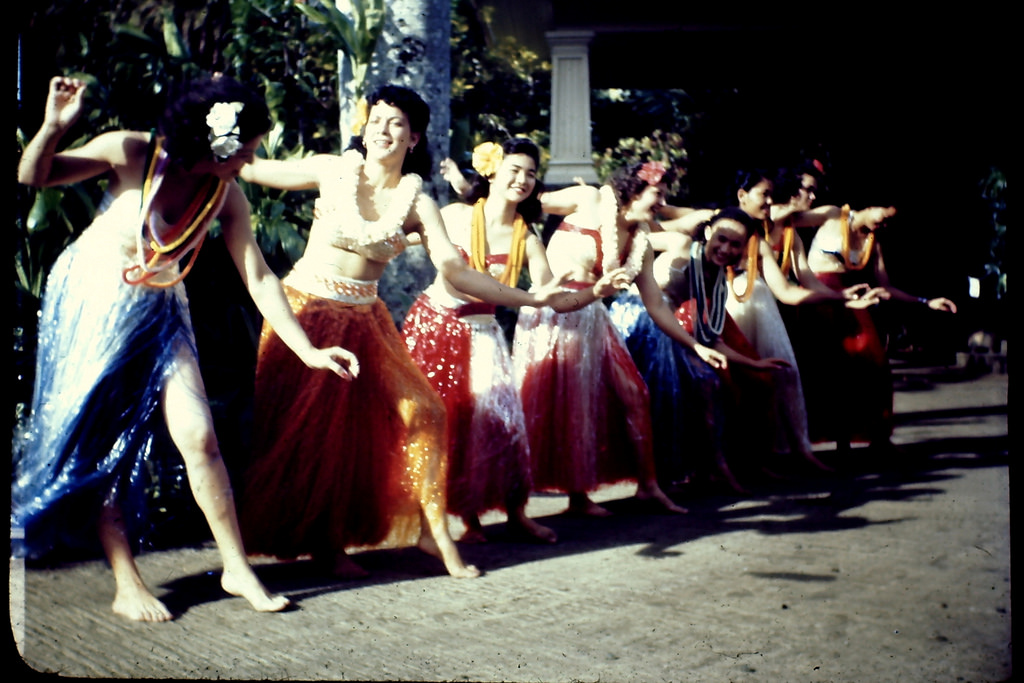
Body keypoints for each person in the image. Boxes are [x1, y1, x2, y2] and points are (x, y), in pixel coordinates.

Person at [13, 75, 357, 622]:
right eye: (244, 145)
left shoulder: (227, 194)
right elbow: (33, 176)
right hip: (93, 301)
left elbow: (260, 278)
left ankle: (236, 567)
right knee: (107, 447)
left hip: (162, 308)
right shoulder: (130, 151)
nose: (251, 157)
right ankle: (127, 581)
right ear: (210, 140)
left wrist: (309, 350)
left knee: (199, 435)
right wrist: (54, 126)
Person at [236, 86, 579, 579]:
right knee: (316, 436)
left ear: (414, 137)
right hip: (306, 310)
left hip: (365, 319)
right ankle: (326, 546)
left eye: (395, 122)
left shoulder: (417, 200)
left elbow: (456, 271)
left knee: (425, 412)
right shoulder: (332, 169)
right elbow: (249, 169)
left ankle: (432, 533)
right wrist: (220, 122)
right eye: (375, 119)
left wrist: (531, 297)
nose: (381, 129)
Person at [403, 138, 625, 544]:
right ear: (492, 171)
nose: (522, 180)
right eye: (514, 170)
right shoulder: (454, 215)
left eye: (530, 173)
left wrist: (598, 291)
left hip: (485, 334)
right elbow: (400, 235)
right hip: (438, 327)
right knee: (448, 425)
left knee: (504, 424)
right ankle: (464, 522)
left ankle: (516, 513)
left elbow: (554, 301)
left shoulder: (529, 238)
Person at [512, 160, 723, 516]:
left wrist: (696, 345)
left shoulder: (640, 243)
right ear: (634, 189)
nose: (662, 201)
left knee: (635, 394)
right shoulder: (588, 198)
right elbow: (529, 203)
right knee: (559, 404)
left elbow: (656, 306)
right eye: (658, 193)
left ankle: (648, 487)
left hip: (594, 316)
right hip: (552, 311)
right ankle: (553, 498)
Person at [725, 169, 884, 474]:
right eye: (767, 197)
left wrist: (843, 298)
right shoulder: (733, 227)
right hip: (734, 306)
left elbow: (802, 282)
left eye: (774, 199)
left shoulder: (787, 234)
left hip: (769, 307)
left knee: (782, 374)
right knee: (737, 380)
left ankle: (794, 449)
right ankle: (743, 458)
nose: (772, 204)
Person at [803, 203, 957, 452]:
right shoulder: (832, 216)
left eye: (888, 222)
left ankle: (876, 437)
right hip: (817, 298)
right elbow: (787, 221)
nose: (883, 224)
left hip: (851, 301)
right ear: (870, 205)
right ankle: (836, 440)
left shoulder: (873, 242)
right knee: (827, 370)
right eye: (883, 217)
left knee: (873, 363)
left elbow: (886, 287)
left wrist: (926, 302)